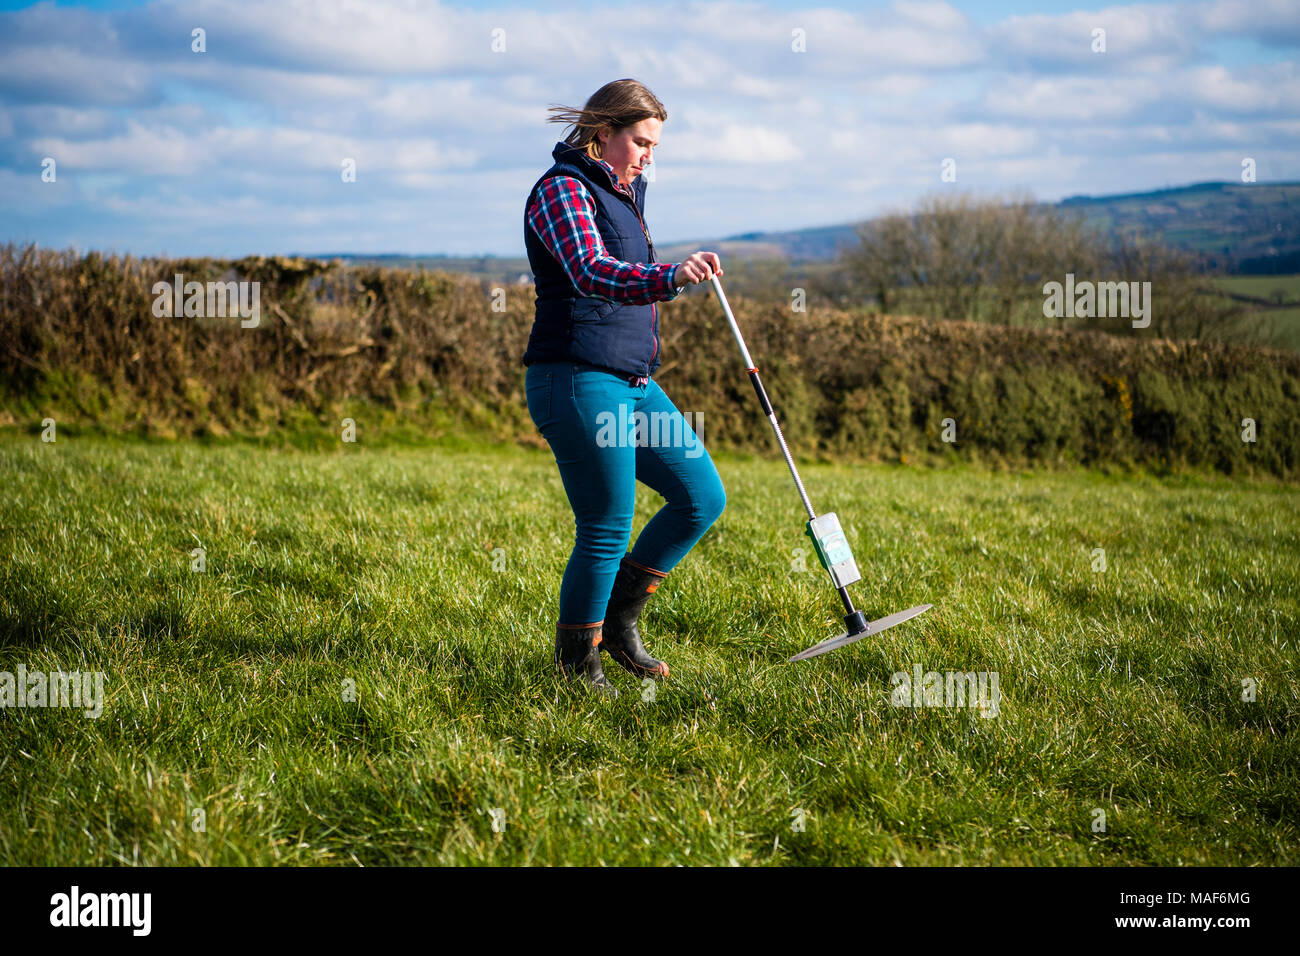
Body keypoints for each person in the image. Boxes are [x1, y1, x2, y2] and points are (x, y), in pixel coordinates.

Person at [522, 78, 727, 697]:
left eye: (653, 146)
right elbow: (591, 271)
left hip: (634, 386)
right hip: (576, 380)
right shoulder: (560, 191)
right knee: (608, 522)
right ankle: (574, 665)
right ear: (601, 133)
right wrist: (671, 275)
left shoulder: (624, 193)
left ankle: (617, 621)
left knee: (701, 496)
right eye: (639, 142)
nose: (646, 156)